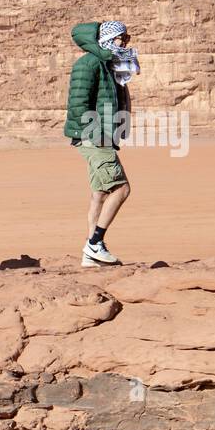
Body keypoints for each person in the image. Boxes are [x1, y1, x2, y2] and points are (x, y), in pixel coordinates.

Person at [64, 20, 138, 267]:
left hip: (101, 136)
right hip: (94, 136)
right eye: (121, 38)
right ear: (108, 39)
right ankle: (95, 243)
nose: (125, 43)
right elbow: (78, 104)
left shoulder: (106, 64)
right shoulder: (89, 63)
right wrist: (97, 136)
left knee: (99, 194)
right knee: (121, 189)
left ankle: (89, 254)